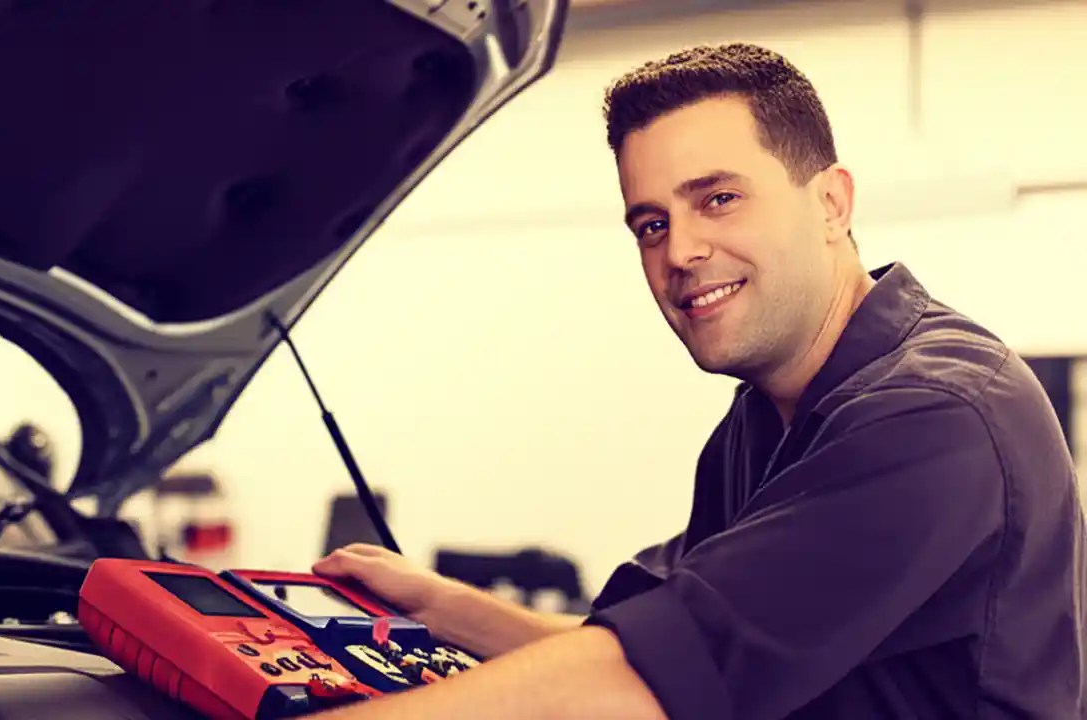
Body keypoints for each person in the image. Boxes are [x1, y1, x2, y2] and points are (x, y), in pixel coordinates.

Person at [309, 43, 1087, 719]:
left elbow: (650, 684)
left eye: (718, 199)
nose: (680, 251)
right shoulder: (761, 421)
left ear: (830, 203)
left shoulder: (936, 415)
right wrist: (444, 609)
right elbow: (656, 643)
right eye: (651, 224)